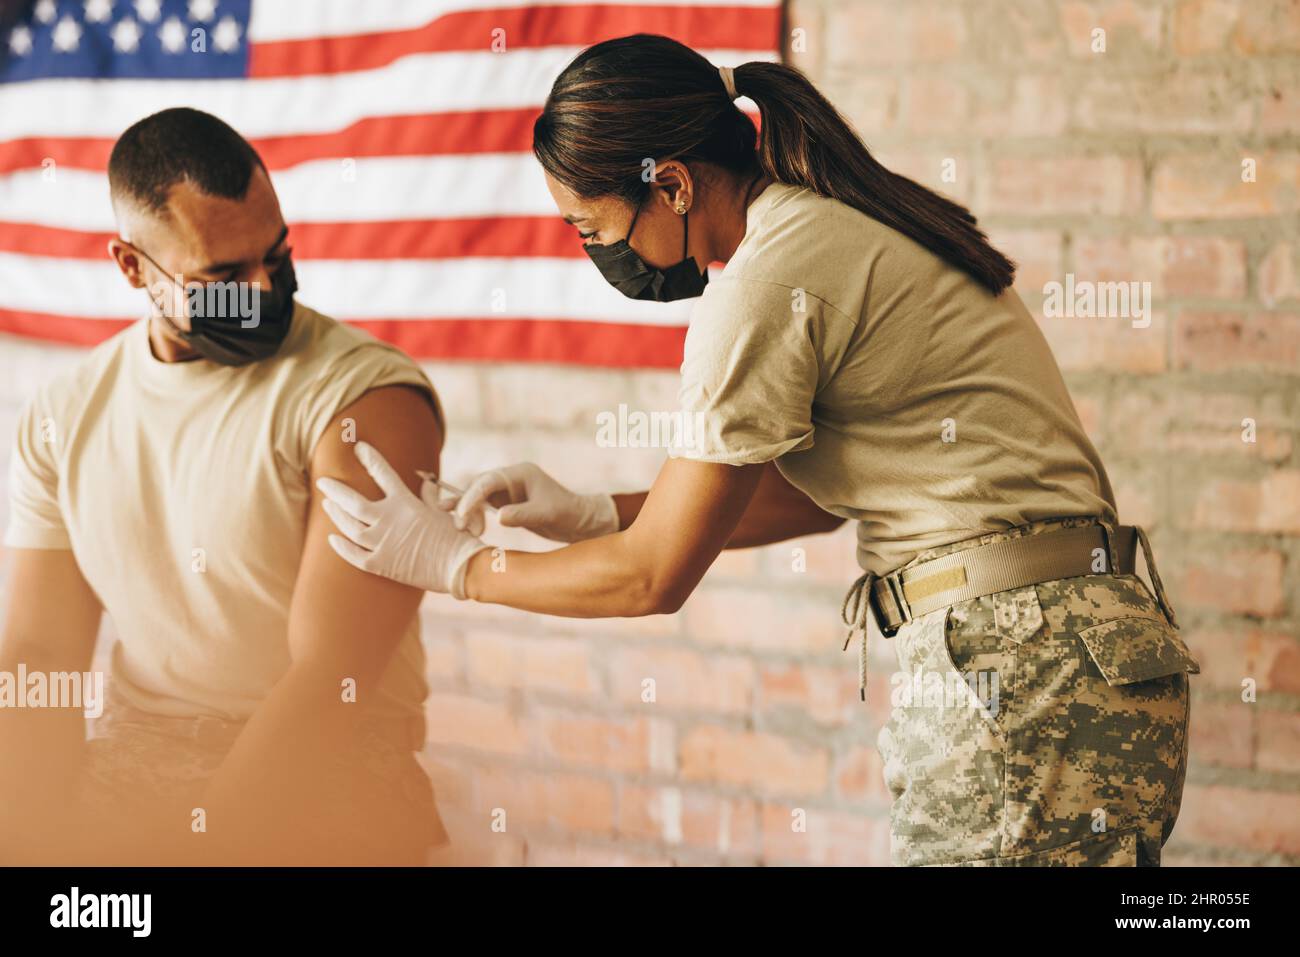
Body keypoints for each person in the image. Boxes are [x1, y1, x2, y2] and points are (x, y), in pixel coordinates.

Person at [317, 34, 1200, 866]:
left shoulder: (766, 281)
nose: (595, 250)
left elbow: (652, 577)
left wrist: (458, 564)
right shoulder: (828, 222)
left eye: (589, 226)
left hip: (1023, 667)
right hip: (1076, 648)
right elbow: (816, 494)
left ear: (670, 186)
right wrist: (596, 511)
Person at [0, 108, 449, 865]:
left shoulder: (366, 401)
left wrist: (196, 848)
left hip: (336, 776)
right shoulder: (64, 413)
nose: (265, 288)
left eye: (277, 255)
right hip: (137, 753)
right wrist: (24, 829)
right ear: (133, 267)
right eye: (225, 276)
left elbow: (329, 681)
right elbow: (41, 651)